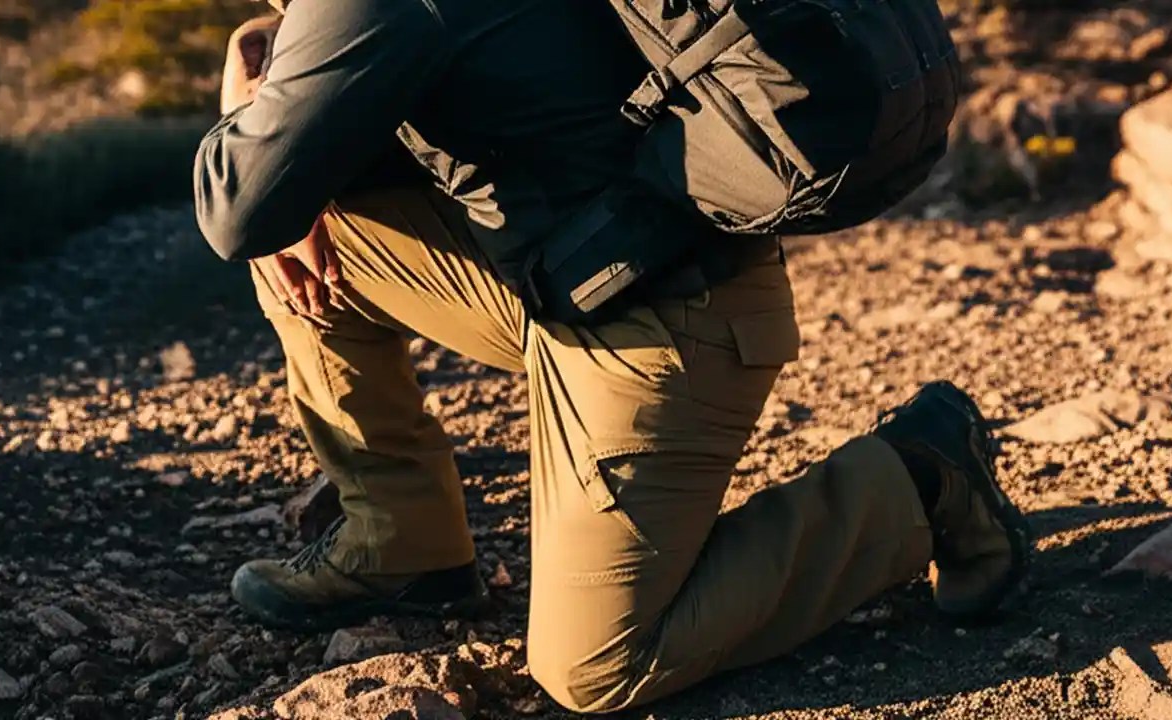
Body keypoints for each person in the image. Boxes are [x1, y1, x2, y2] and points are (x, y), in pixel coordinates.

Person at [194, 0, 1032, 712]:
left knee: (593, 667)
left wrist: (242, 82)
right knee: (308, 237)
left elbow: (238, 208)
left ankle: (916, 477)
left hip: (666, 316)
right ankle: (401, 544)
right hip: (581, 268)